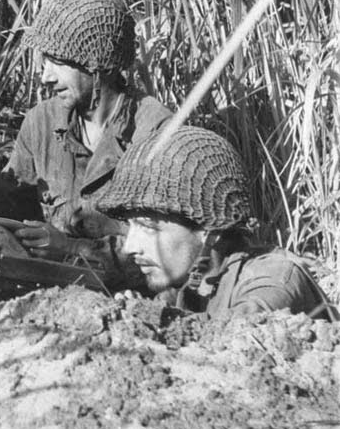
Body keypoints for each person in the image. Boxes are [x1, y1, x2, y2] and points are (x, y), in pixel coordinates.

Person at [0, 0, 172, 290]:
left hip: (127, 295)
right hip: (46, 289)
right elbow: (8, 207)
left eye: (59, 62)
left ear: (99, 66)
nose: (46, 76)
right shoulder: (41, 121)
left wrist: (71, 249)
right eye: (45, 61)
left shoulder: (155, 131)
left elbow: (166, 249)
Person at [96, 125, 336, 318]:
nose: (129, 247)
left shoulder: (274, 280)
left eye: (148, 228)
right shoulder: (192, 287)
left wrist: (153, 319)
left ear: (210, 229)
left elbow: (238, 337)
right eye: (131, 226)